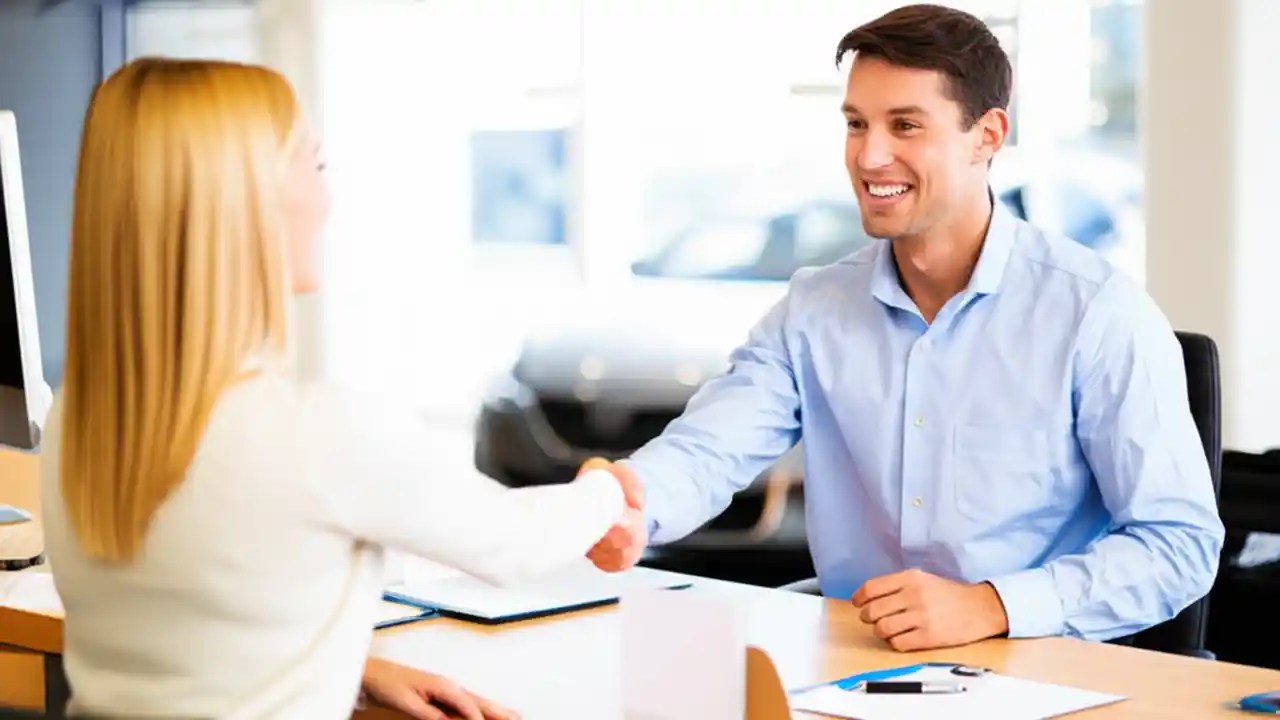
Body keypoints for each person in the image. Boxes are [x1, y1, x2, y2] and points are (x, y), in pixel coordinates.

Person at [585, 3, 1224, 652]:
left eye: (906, 125)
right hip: (857, 673)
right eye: (856, 124)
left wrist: (993, 605)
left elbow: (1179, 546)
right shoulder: (815, 309)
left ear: (988, 136)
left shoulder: (1095, 311)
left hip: (1046, 675)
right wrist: (629, 501)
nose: (870, 155)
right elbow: (708, 451)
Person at [41, 58, 642, 719]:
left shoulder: (81, 420)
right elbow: (514, 543)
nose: (326, 203)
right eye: (315, 168)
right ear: (246, 204)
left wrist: (350, 667)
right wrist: (606, 490)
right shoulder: (313, 435)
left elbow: (188, 632)